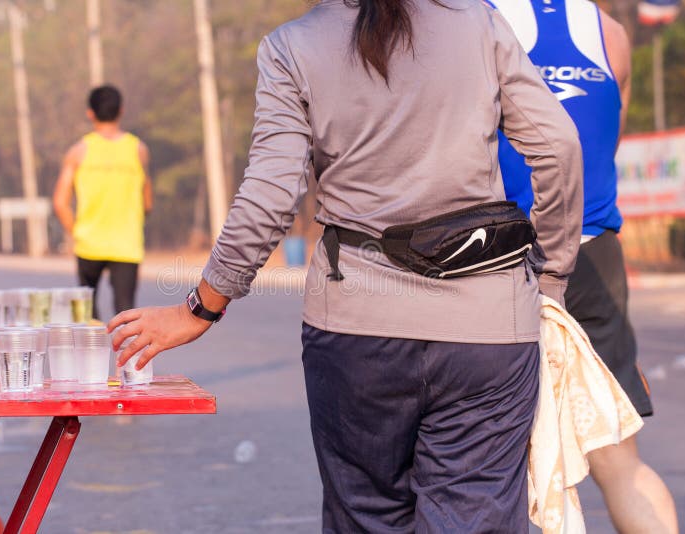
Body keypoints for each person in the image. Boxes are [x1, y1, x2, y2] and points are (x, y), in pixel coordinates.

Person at [110, 1, 582, 531]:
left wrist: (200, 308)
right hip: (487, 332)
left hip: (357, 335)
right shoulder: (479, 22)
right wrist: (550, 277)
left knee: (368, 517)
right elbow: (558, 147)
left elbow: (271, 194)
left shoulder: (294, 47)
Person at [487, 0, 679, 532]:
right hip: (590, 252)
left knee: (483, 458)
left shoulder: (475, 19)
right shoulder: (611, 33)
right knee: (619, 460)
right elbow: (600, 144)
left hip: (501, 254)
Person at [53, 85, 153, 319]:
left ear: (90, 113)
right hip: (127, 243)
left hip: (88, 243)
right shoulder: (138, 150)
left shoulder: (78, 151)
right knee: (126, 313)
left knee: (87, 315)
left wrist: (76, 232)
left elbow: (60, 202)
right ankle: (127, 345)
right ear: (121, 110)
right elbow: (147, 200)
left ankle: (91, 344)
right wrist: (136, 222)